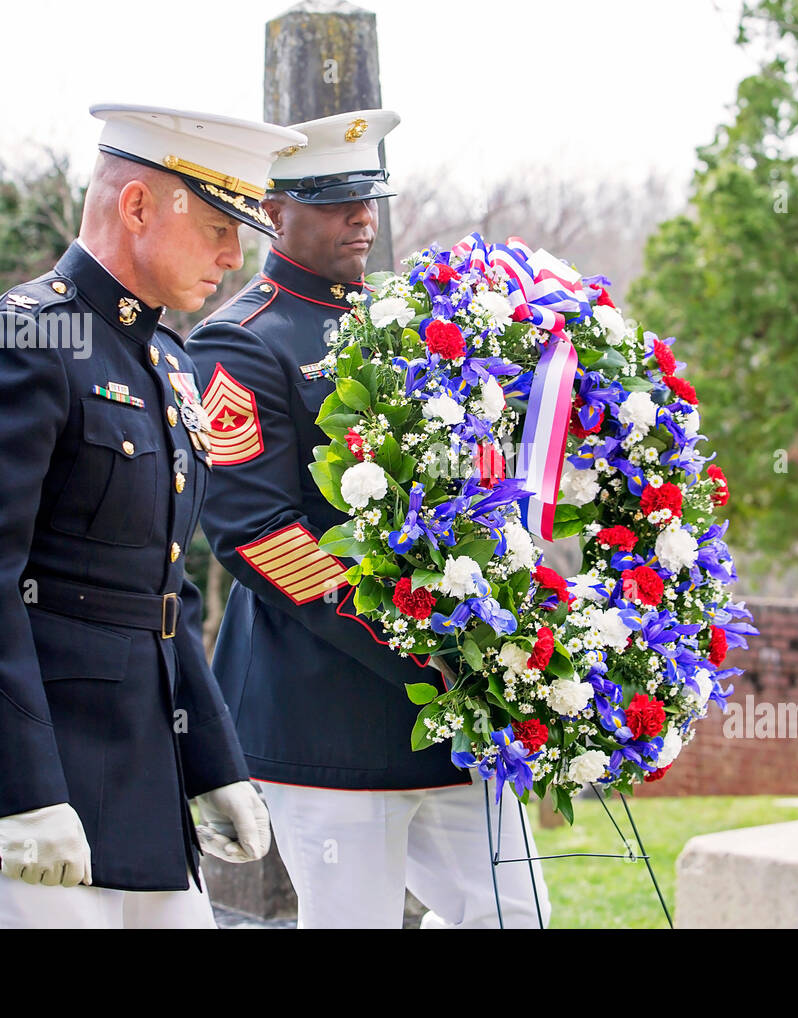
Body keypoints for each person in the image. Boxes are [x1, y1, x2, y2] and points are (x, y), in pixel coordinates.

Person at [0, 104, 307, 929]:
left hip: (131, 768)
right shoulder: (22, 339)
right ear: (137, 208)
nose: (236, 258)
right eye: (221, 229)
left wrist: (211, 763)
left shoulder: (165, 358)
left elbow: (163, 594)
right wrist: (21, 793)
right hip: (8, 772)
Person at [186, 109, 551, 929]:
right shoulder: (241, 343)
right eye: (331, 199)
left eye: (368, 197)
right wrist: (420, 646)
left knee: (514, 914)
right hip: (325, 708)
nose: (362, 216)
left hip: (451, 707)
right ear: (273, 211)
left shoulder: (411, 322)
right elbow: (258, 533)